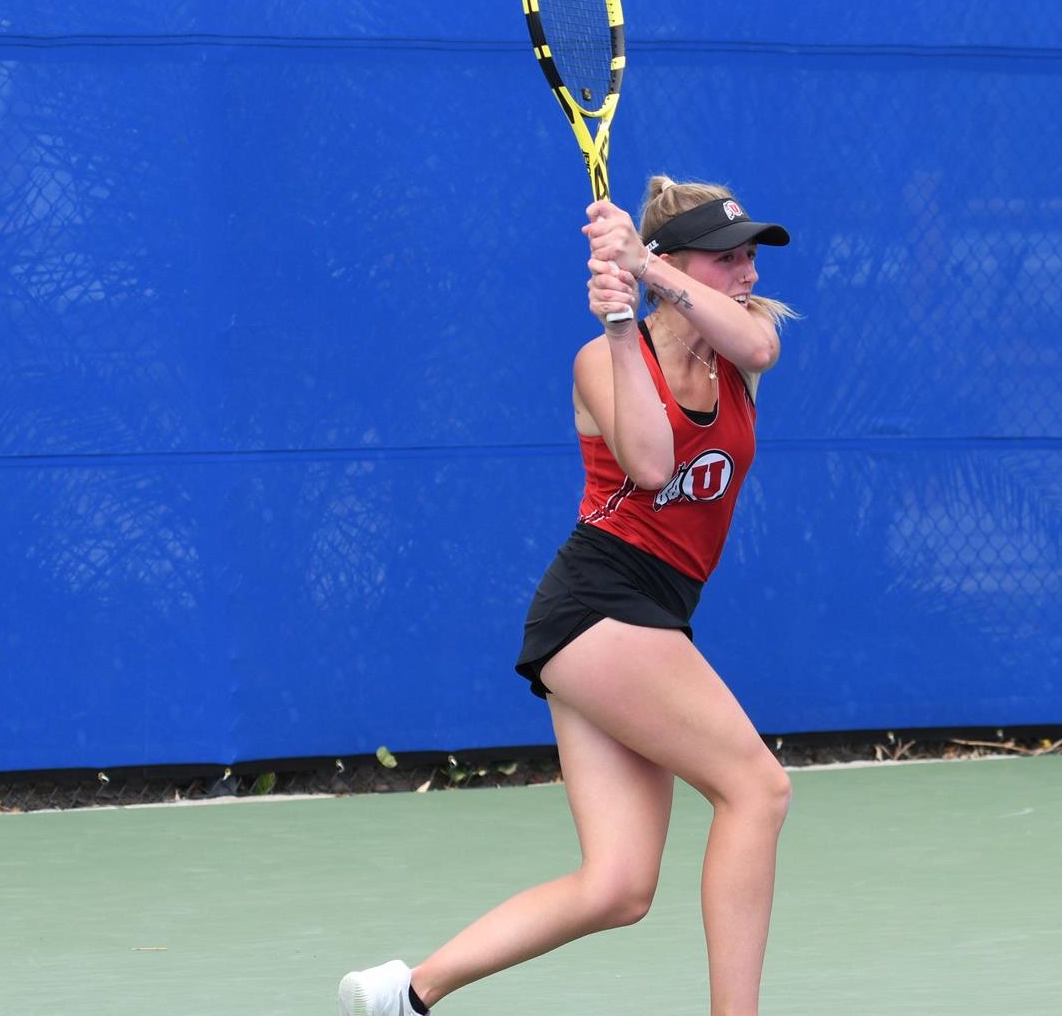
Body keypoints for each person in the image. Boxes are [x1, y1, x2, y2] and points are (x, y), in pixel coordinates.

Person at [338, 176, 799, 1016]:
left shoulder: (741, 348)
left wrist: (650, 274)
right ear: (675, 258)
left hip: (645, 617)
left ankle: (406, 992)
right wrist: (624, 321)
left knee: (619, 885)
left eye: (749, 259)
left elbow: (760, 345)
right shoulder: (599, 360)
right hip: (600, 602)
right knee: (758, 788)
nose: (747, 275)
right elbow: (654, 464)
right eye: (727, 259)